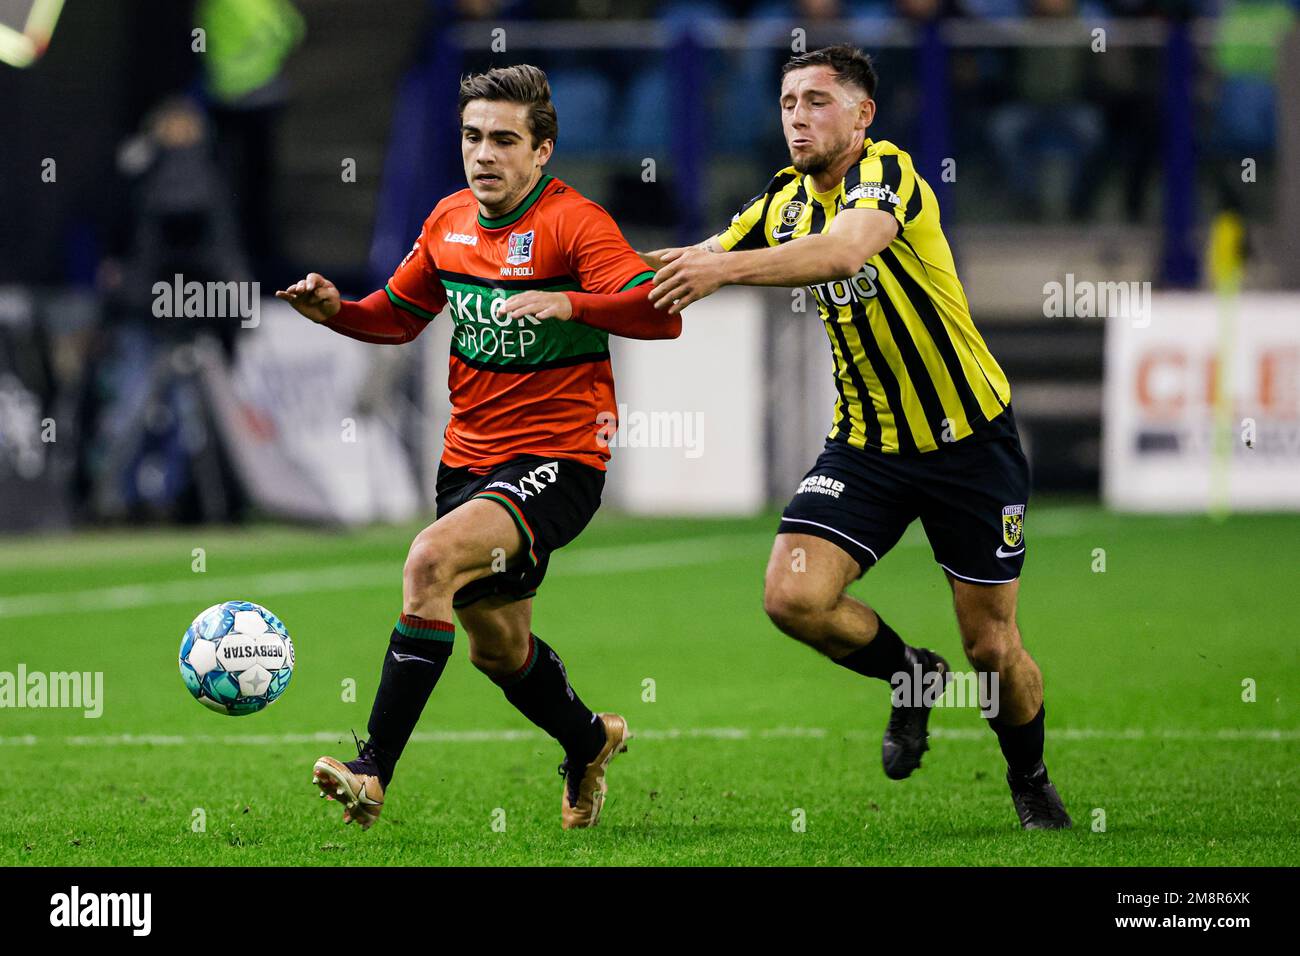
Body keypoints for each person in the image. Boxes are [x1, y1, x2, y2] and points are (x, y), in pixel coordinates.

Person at [644, 45, 1070, 829]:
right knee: (792, 597)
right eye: (785, 104)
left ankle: (1029, 776)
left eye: (815, 101)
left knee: (992, 646)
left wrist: (724, 273)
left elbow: (843, 250)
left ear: (862, 113)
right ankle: (911, 672)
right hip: (868, 443)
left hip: (968, 440)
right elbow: (689, 263)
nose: (797, 118)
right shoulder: (780, 200)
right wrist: (567, 289)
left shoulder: (889, 175)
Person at [276, 64, 679, 831]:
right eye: (471, 137)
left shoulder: (576, 225)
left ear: (542, 152)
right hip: (468, 460)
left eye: (503, 139)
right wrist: (336, 313)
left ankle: (372, 772)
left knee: (427, 560)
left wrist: (571, 299)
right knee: (498, 649)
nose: (483, 154)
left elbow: (660, 317)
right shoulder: (449, 222)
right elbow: (397, 317)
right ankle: (590, 740)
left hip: (561, 460)